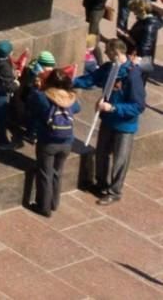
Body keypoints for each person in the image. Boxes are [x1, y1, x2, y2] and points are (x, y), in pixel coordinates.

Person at [75, 38, 146, 204]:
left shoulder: (132, 76)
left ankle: (114, 191)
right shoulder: (109, 69)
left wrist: (113, 108)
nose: (105, 53)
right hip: (108, 120)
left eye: (108, 50)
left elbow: (138, 106)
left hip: (124, 125)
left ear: (116, 52)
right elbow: (91, 79)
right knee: (101, 153)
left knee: (120, 159)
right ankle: (101, 184)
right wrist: (69, 82)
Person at [27, 68, 79, 217]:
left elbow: (30, 102)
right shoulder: (70, 98)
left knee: (45, 173)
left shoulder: (43, 97)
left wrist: (36, 88)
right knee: (57, 172)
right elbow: (78, 107)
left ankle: (44, 207)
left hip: (48, 141)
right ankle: (54, 203)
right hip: (67, 142)